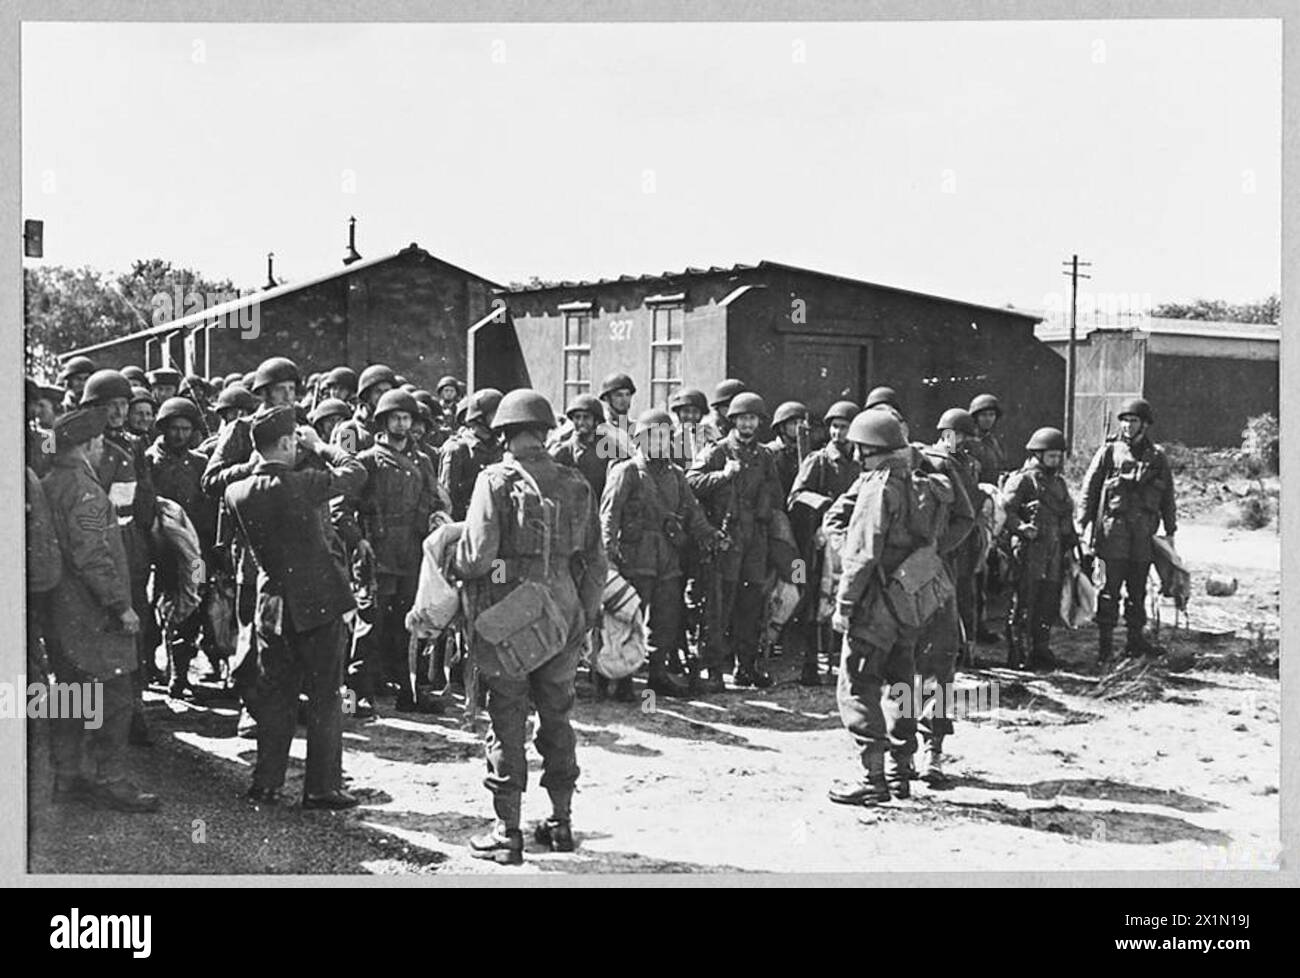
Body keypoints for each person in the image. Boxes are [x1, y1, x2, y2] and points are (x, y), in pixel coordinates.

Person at [451, 389, 606, 864]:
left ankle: (507, 831)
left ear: (503, 434)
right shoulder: (576, 482)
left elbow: (478, 559)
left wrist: (451, 557)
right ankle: (560, 823)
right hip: (563, 608)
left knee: (508, 719)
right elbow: (596, 562)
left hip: (512, 610)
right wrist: (583, 616)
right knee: (558, 716)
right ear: (543, 431)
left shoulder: (493, 480)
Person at [225, 406, 367, 808]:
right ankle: (321, 788)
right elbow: (355, 472)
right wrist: (322, 445)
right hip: (319, 604)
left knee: (276, 697)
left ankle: (266, 782)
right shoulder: (303, 483)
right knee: (325, 697)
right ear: (288, 442)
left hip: (272, 606)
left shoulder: (237, 492)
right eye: (294, 442)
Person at [827, 409, 955, 807]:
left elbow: (862, 555)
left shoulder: (877, 487)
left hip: (876, 602)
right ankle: (903, 771)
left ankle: (873, 779)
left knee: (858, 685)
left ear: (868, 448)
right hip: (912, 600)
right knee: (904, 683)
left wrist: (844, 605)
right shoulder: (921, 483)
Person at [42, 407, 159, 812]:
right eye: (98, 443)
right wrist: (121, 605)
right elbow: (92, 556)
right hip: (94, 615)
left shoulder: (49, 482)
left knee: (72, 694)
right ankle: (111, 780)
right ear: (88, 444)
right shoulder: (86, 490)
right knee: (114, 698)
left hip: (62, 613)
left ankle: (68, 776)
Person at [601, 408, 724, 700]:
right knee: (629, 619)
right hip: (634, 558)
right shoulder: (626, 471)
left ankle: (656, 675)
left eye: (664, 438)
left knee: (666, 620)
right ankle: (623, 679)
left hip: (667, 558)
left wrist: (711, 535)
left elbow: (693, 513)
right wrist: (608, 554)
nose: (658, 443)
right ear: (640, 441)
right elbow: (609, 516)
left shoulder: (676, 475)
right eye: (652, 437)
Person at [337, 389, 443, 718]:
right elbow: (340, 510)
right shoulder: (366, 459)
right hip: (377, 553)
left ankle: (411, 691)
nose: (402, 423)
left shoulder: (423, 460)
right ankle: (358, 696)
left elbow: (436, 501)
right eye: (395, 418)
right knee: (370, 625)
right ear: (382, 421)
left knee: (411, 623)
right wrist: (359, 542)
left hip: (412, 552)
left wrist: (437, 521)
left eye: (407, 418)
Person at [80, 368, 161, 741]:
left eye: (122, 405)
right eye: (108, 406)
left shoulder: (134, 446)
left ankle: (134, 706)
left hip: (130, 544)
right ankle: (97, 717)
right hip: (96, 541)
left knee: (135, 624)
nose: (116, 413)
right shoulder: (80, 445)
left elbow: (145, 495)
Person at [687, 391, 783, 690]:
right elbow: (691, 483)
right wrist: (724, 476)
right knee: (718, 605)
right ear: (733, 421)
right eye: (742, 418)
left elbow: (776, 494)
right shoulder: (717, 452)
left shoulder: (765, 456)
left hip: (754, 539)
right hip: (726, 539)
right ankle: (714, 670)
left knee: (752, 605)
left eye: (752, 418)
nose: (747, 424)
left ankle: (746, 667)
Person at [1079, 397, 1177, 662]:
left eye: (1133, 421)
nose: (1128, 426)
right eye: (1124, 420)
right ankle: (1105, 647)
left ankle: (1135, 641)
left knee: (1138, 590)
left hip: (1143, 535)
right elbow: (1090, 490)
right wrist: (1082, 524)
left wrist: (1170, 530)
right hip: (1114, 533)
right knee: (1110, 590)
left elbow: (1167, 496)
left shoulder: (1157, 457)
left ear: (1144, 424)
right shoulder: (1108, 453)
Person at [914, 409, 979, 781]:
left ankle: (931, 748)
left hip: (934, 575)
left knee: (937, 662)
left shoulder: (937, 465)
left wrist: (935, 554)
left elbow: (965, 517)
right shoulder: (876, 470)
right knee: (900, 666)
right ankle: (899, 752)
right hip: (894, 583)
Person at [146, 397, 218, 698]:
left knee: (195, 600)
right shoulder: (150, 462)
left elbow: (210, 508)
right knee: (165, 605)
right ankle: (160, 667)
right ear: (162, 428)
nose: (179, 435)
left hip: (195, 553)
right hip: (163, 554)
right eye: (174, 428)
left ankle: (181, 673)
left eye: (186, 429)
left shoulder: (200, 463)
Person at [787, 399, 861, 686]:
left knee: (848, 598)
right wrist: (823, 506)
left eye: (843, 428)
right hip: (820, 541)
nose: (837, 433)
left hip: (852, 541)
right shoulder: (817, 460)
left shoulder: (860, 464)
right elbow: (795, 496)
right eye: (833, 427)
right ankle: (811, 665)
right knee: (815, 600)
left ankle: (844, 666)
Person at [1001, 427, 1077, 671]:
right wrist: (1022, 528)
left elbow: (1066, 518)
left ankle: (1041, 650)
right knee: (1024, 602)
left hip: (1053, 552)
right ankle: (1018, 653)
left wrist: (1073, 548)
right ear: (1037, 454)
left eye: (1058, 456)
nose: (1055, 461)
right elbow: (1007, 512)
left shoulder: (1059, 484)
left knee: (1047, 603)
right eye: (1051, 456)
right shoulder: (1022, 479)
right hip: (1029, 551)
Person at [966, 392, 1011, 645]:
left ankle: (981, 624)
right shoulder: (961, 437)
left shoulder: (993, 442)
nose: (988, 419)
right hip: (971, 507)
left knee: (985, 571)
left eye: (992, 415)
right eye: (983, 415)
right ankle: (971, 629)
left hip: (991, 508)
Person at [439, 388, 504, 521]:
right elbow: (447, 499)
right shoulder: (457, 449)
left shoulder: (501, 447)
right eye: (495, 414)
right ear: (479, 418)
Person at [549, 393, 610, 501]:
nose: (581, 422)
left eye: (586, 417)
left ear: (596, 421)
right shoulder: (562, 451)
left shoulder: (608, 450)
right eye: (577, 417)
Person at [333, 363, 397, 454]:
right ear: (367, 396)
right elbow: (346, 463)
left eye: (387, 391)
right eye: (378, 391)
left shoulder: (399, 427)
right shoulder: (348, 430)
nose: (383, 396)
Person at [764, 401, 809, 500]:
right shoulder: (770, 452)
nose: (799, 427)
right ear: (781, 427)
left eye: (802, 422)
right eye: (794, 423)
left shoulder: (808, 452)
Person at [667, 387, 709, 465]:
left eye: (695, 411)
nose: (690, 416)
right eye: (686, 411)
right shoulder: (670, 437)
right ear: (678, 413)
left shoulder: (708, 436)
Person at [699, 378, 745, 447]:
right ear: (718, 408)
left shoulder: (750, 428)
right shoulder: (704, 430)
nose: (734, 411)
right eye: (728, 406)